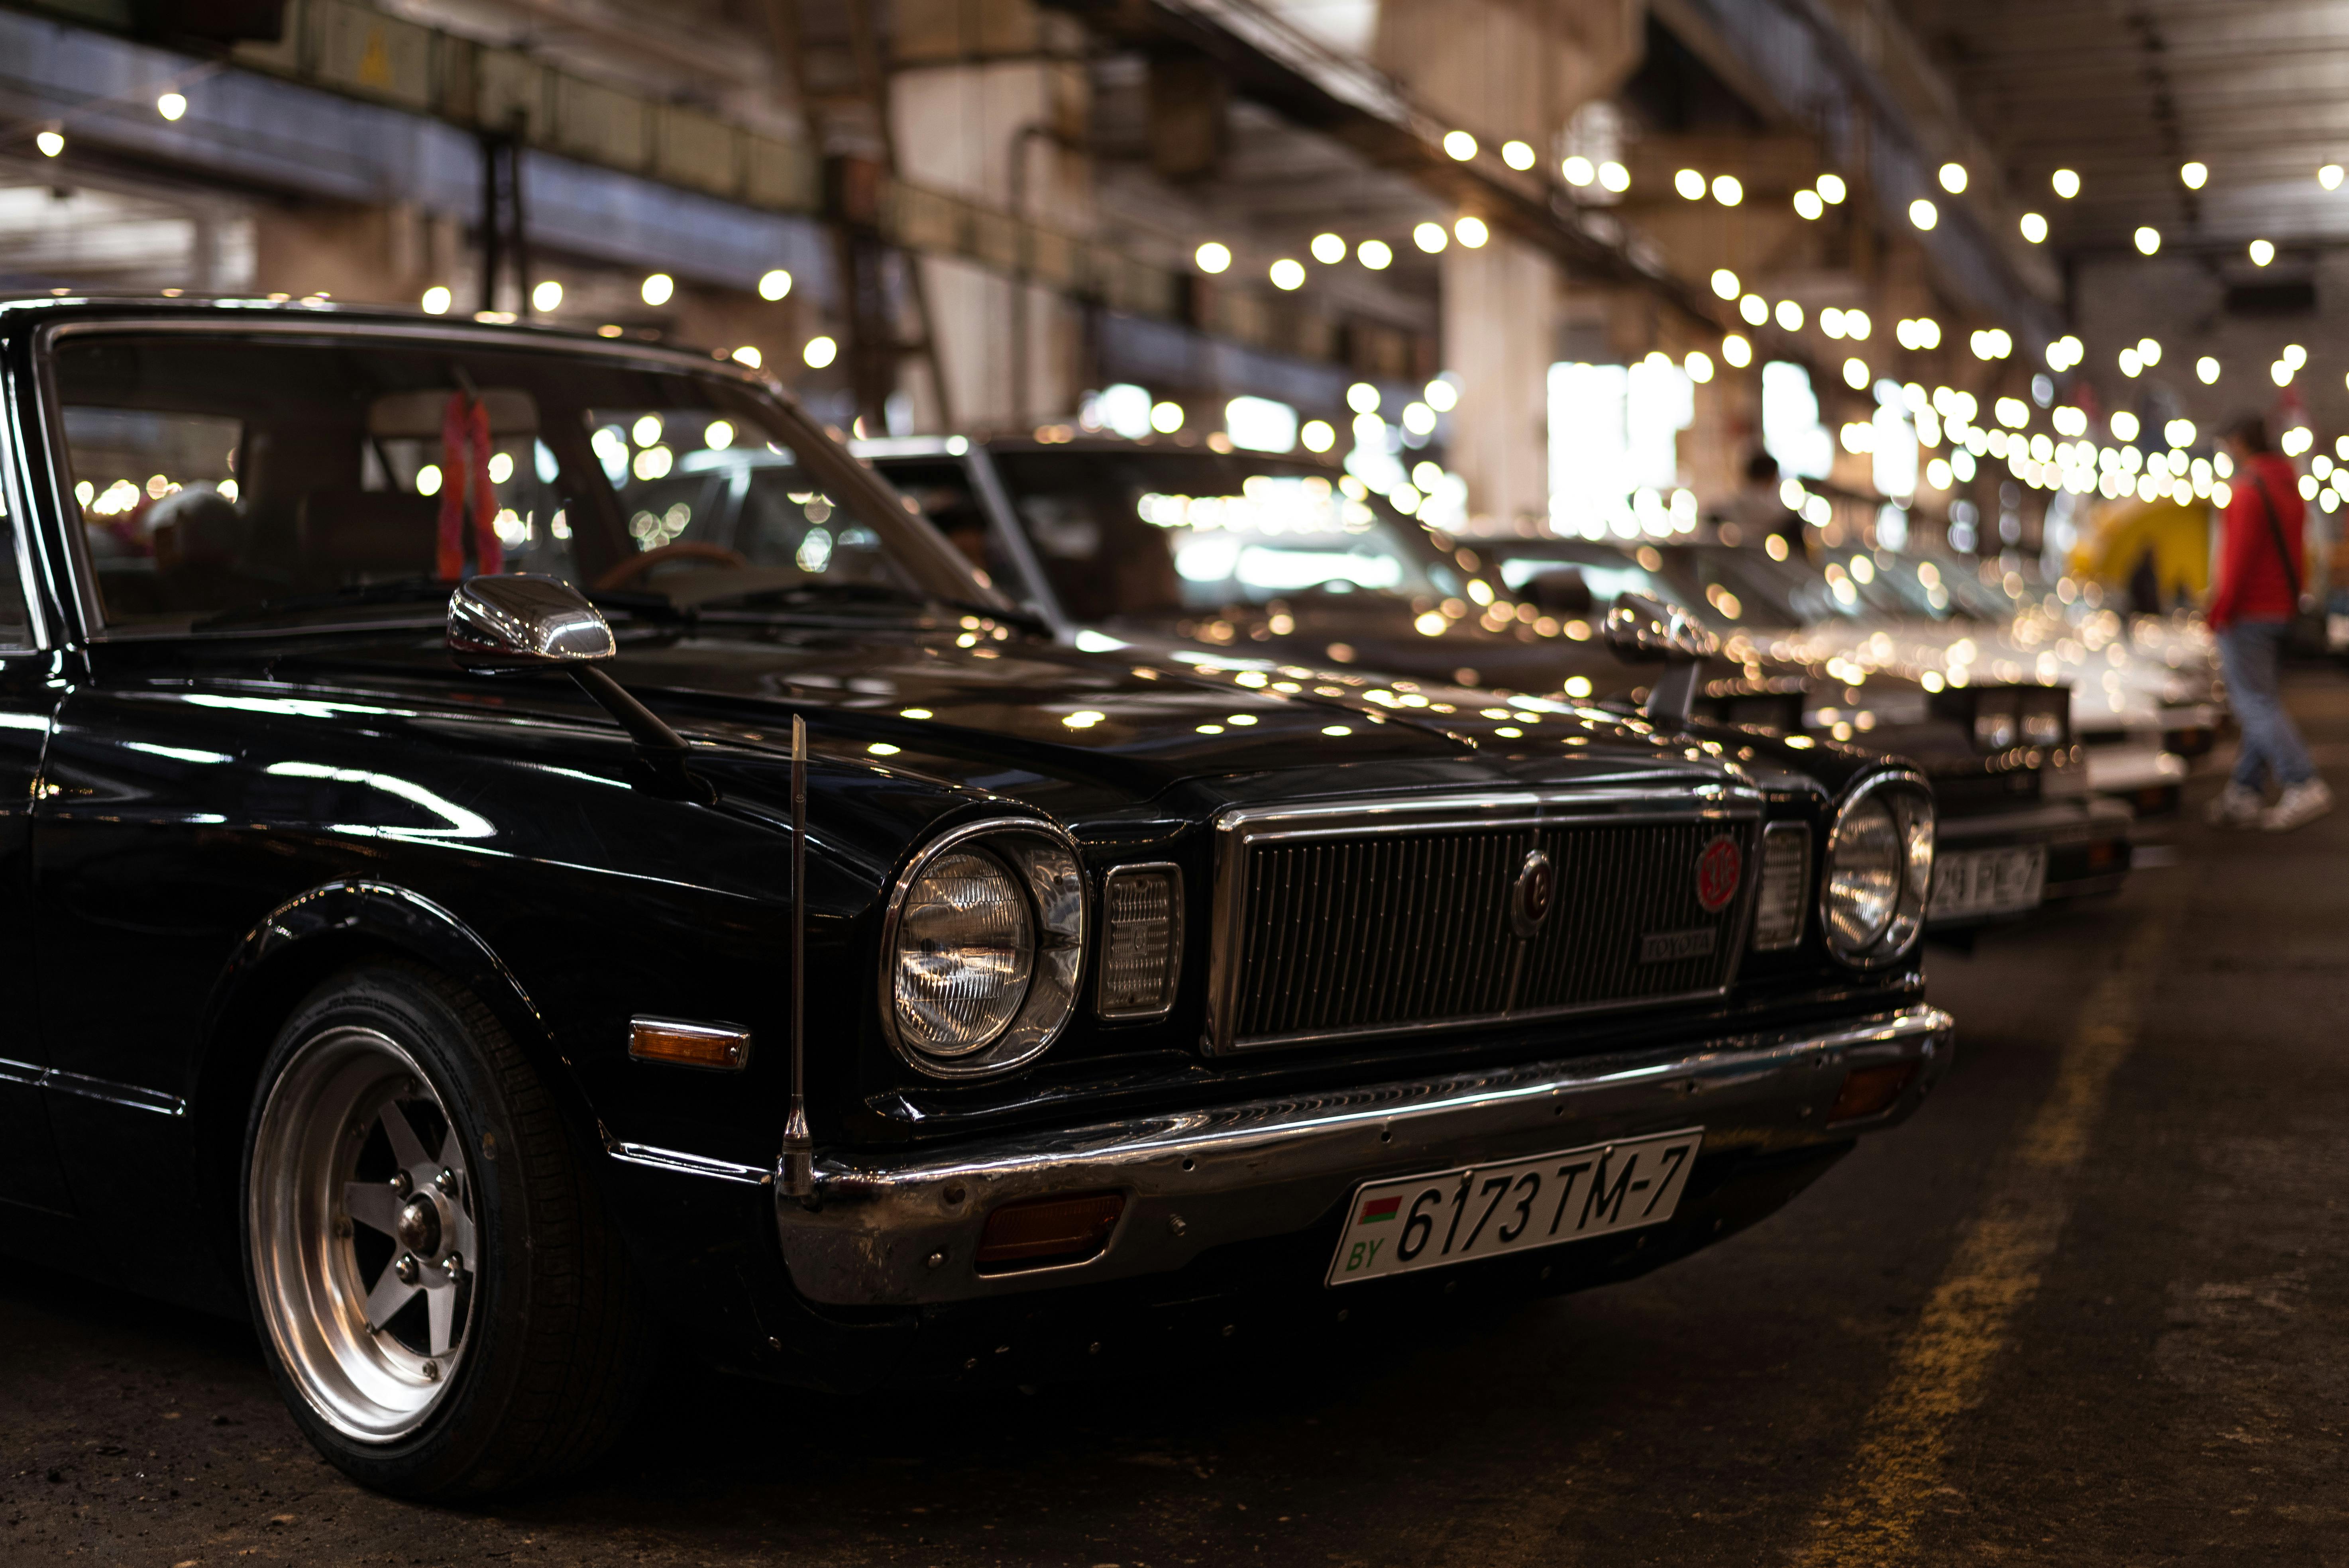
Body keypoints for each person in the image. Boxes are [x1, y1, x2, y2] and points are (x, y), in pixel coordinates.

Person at [2206, 414, 2331, 830]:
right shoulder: (2287, 488)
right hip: (2279, 609)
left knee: (2252, 702)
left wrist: (2219, 611)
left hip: (2247, 612)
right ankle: (2246, 789)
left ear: (2240, 444)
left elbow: (2235, 561)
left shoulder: (2246, 492)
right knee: (2261, 699)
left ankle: (2302, 780)